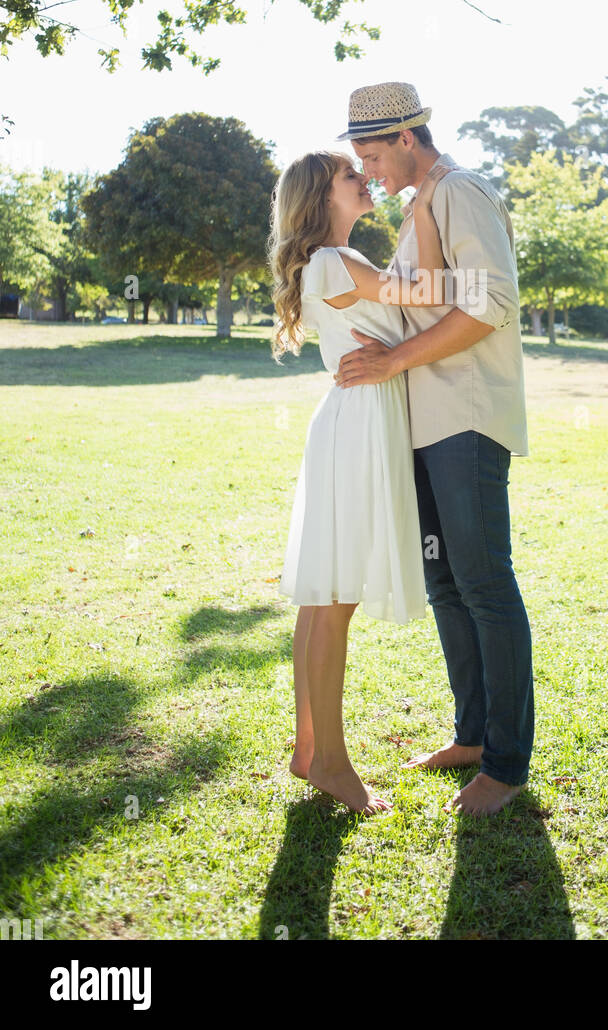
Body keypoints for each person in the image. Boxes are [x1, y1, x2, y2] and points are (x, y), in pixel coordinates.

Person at [334, 81, 533, 817]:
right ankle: (475, 736)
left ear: (409, 138)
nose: (370, 171)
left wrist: (393, 361)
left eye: (373, 154)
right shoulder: (421, 203)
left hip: (467, 418)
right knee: (446, 583)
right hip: (424, 424)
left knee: (483, 583)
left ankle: (508, 764)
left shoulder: (459, 190)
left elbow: (489, 301)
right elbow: (420, 291)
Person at [268, 147, 455, 815]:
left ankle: (308, 748)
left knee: (323, 597)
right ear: (325, 197)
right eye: (353, 174)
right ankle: (333, 764)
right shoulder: (335, 262)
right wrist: (424, 200)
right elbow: (430, 289)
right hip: (357, 425)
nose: (364, 178)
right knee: (334, 598)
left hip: (355, 420)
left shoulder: (338, 262)